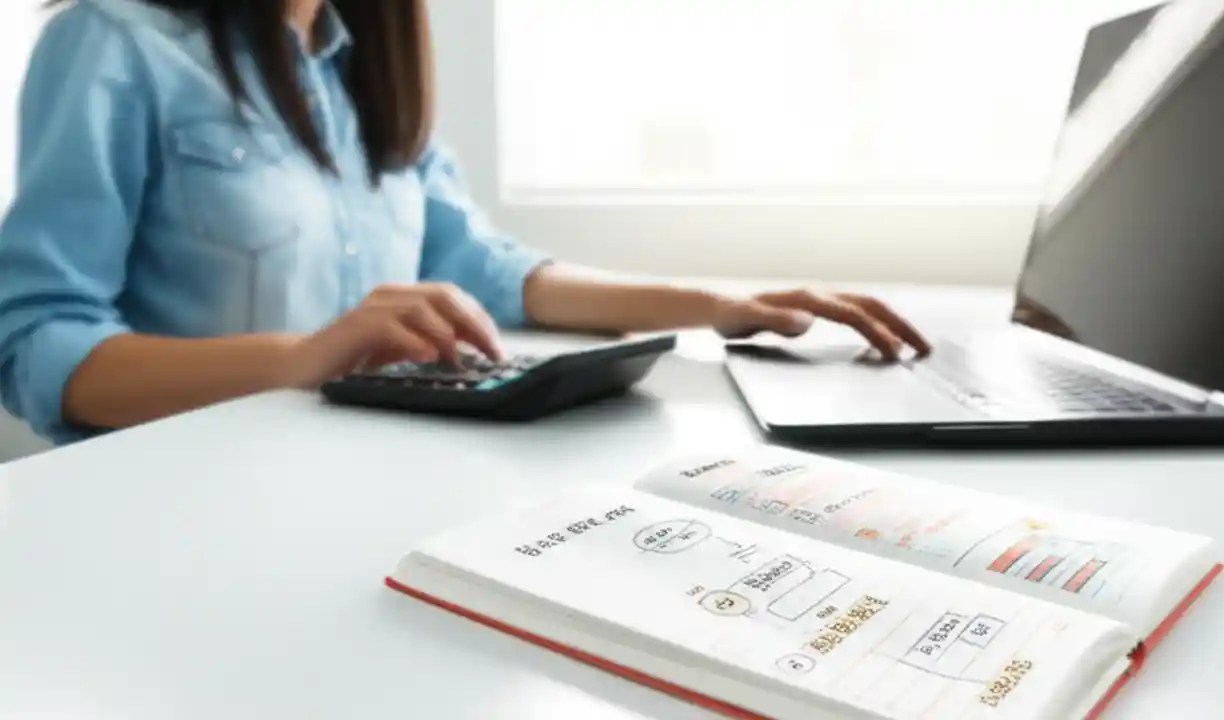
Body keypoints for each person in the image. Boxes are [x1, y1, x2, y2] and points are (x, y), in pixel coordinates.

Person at [0, 0, 929, 444]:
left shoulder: (367, 72)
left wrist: (714, 303)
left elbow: (479, 266)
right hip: (179, 495)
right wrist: (302, 358)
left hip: (365, 469)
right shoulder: (112, 42)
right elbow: (35, 342)